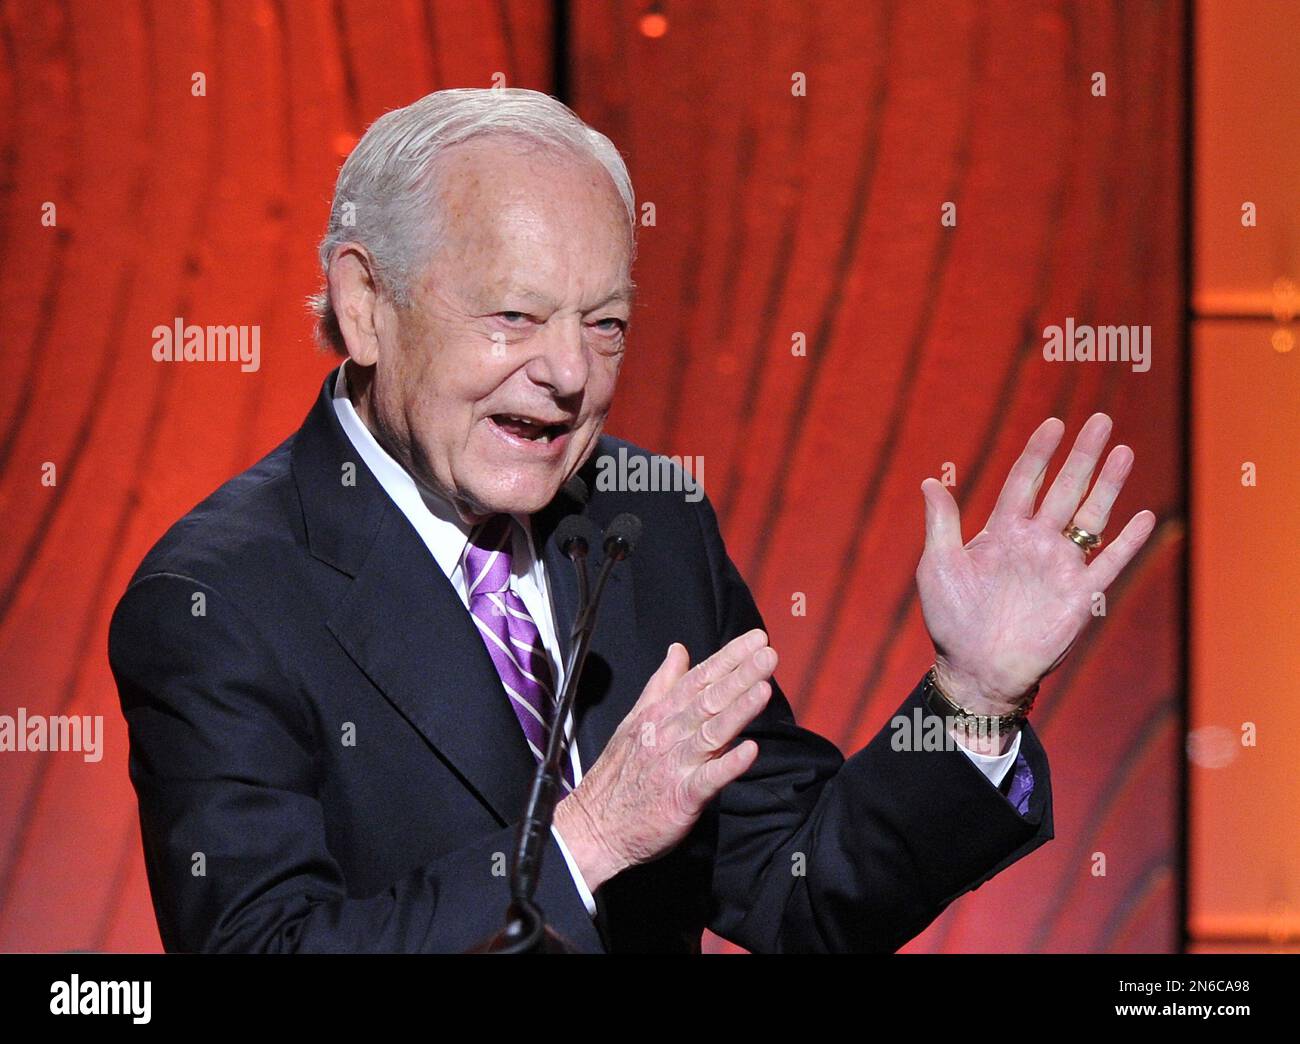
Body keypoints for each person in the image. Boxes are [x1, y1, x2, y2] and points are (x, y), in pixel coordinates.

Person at [108, 88, 1155, 953]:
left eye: (604, 324)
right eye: (513, 316)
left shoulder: (645, 517)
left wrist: (970, 699)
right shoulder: (218, 598)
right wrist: (585, 841)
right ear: (366, 303)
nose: (568, 374)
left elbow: (797, 889)